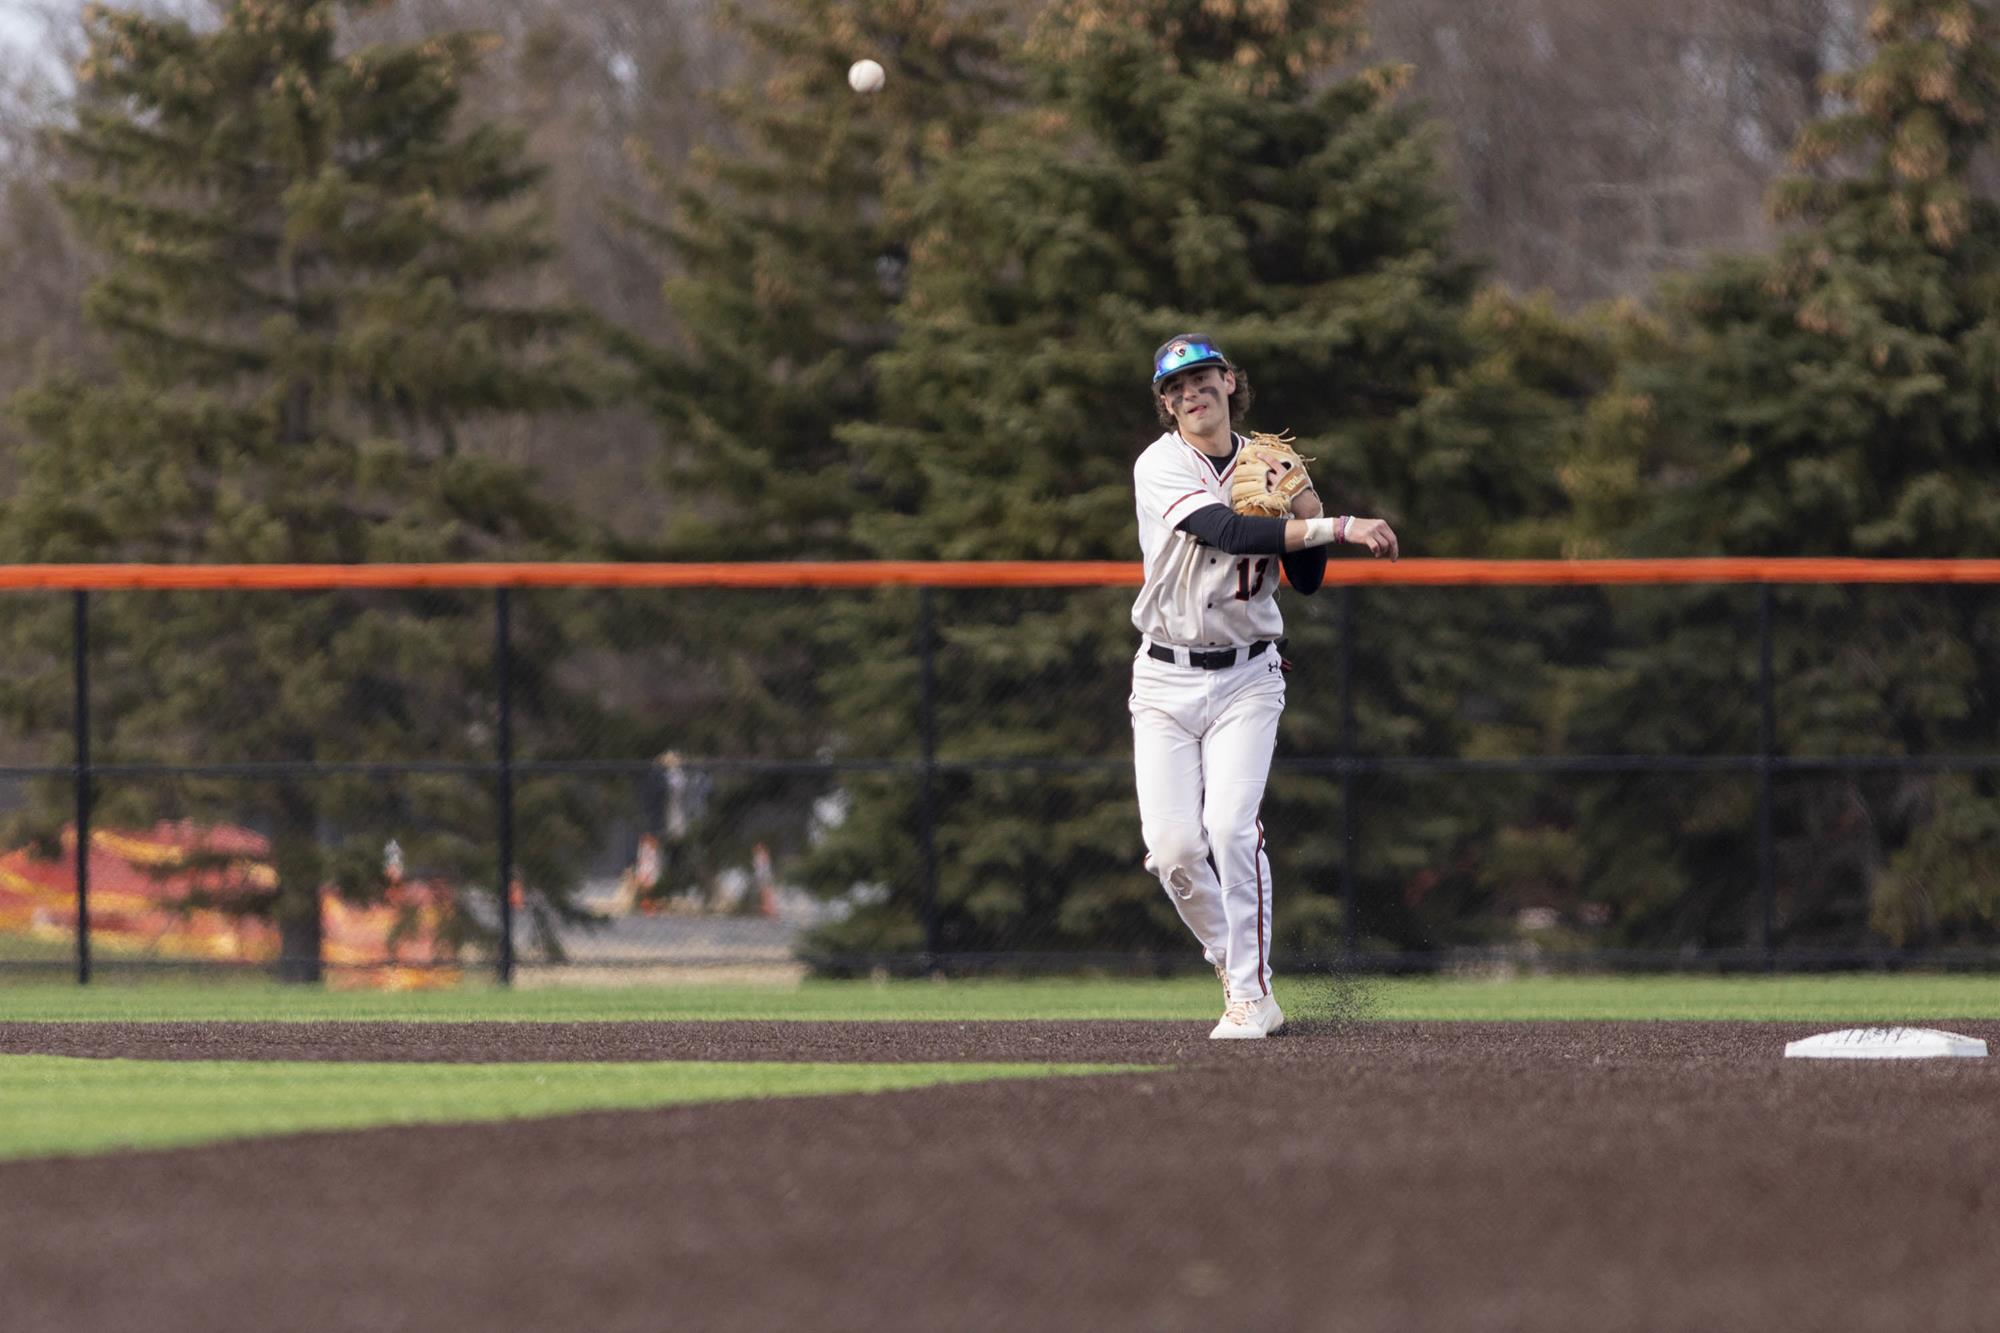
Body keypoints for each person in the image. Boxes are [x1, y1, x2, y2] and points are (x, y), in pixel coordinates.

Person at [1129, 334, 1399, 1038]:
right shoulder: (1160, 464)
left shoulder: (1268, 463)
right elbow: (1222, 529)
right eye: (1176, 386)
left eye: (1201, 377)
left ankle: (1250, 994)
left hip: (1249, 675)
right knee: (1174, 849)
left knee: (1229, 827)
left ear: (1227, 380)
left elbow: (1306, 583)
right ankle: (1229, 957)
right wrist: (1334, 523)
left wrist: (1303, 498)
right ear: (1166, 403)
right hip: (1163, 677)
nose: (1191, 393)